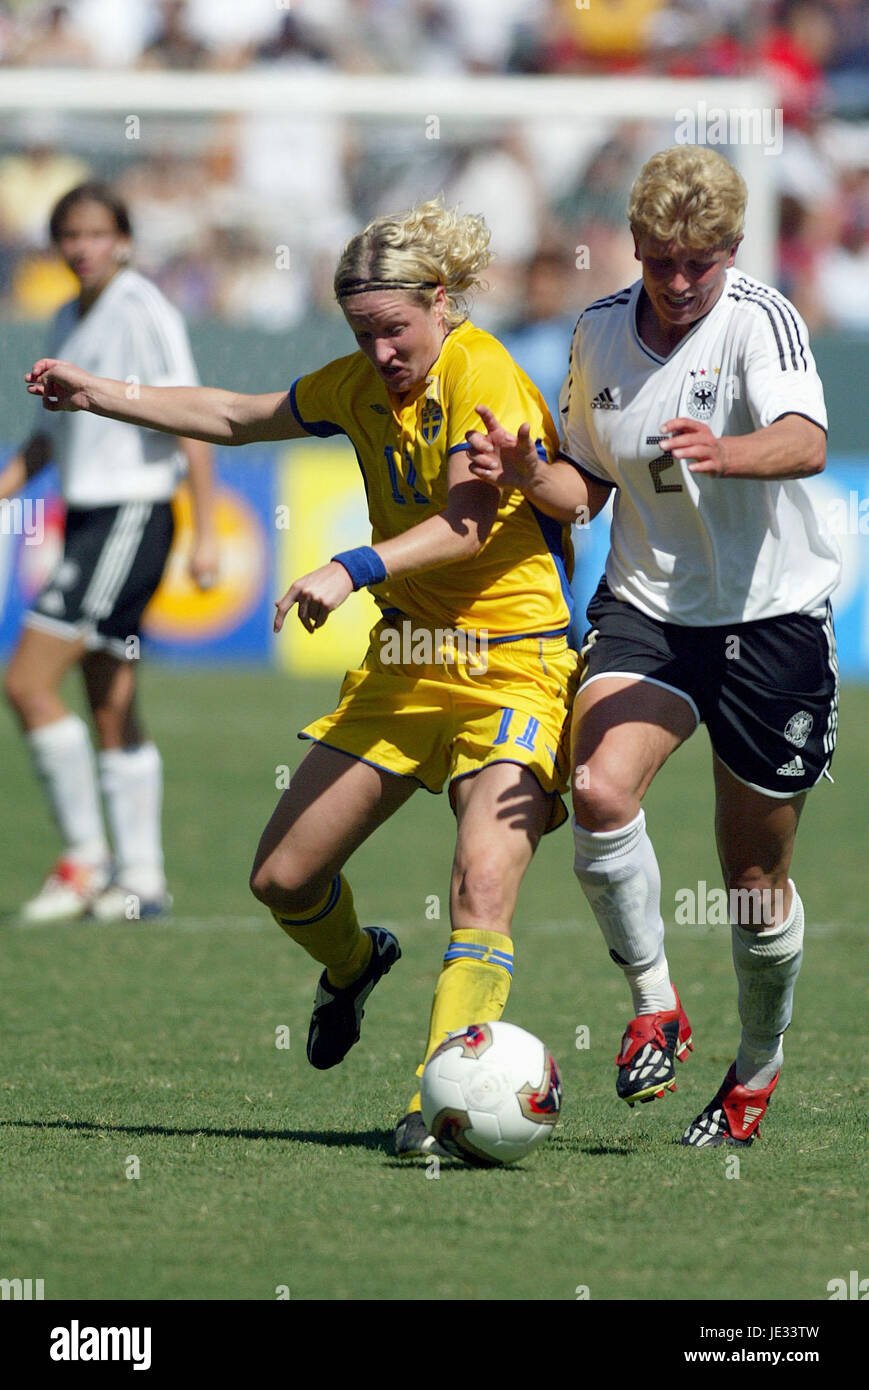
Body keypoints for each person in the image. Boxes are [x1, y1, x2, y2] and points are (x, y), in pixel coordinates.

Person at [25, 199, 581, 1157]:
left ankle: (437, 1103)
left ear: (441, 305)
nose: (379, 352)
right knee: (282, 879)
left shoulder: (480, 370)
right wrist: (97, 393)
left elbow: (464, 523)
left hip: (515, 663)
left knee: (480, 886)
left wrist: (348, 566)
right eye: (362, 334)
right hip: (407, 663)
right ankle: (358, 963)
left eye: (393, 330)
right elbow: (236, 417)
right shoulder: (360, 385)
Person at [466, 144, 840, 1148]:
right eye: (660, 260)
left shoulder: (758, 318)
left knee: (753, 880)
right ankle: (654, 1002)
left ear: (728, 252)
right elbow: (582, 490)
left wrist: (732, 451)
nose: (677, 284)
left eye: (698, 262)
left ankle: (754, 1067)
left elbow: (804, 438)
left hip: (770, 619)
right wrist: (522, 470)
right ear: (631, 246)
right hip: (647, 608)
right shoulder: (595, 335)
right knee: (593, 789)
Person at [4, 181, 217, 923]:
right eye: (69, 235)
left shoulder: (141, 307)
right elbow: (49, 434)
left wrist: (209, 528)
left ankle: (85, 863)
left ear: (122, 239)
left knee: (27, 682)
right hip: (90, 517)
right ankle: (142, 880)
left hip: (133, 512)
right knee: (108, 696)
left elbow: (191, 412)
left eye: (96, 233)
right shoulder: (66, 316)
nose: (82, 247)